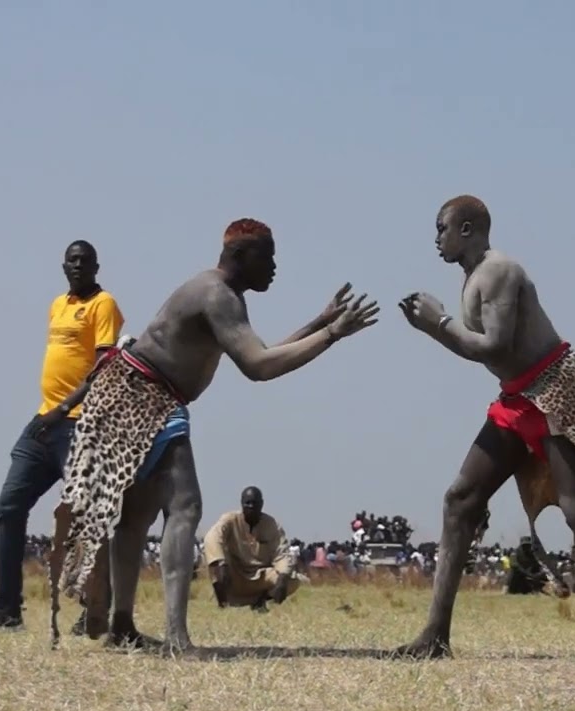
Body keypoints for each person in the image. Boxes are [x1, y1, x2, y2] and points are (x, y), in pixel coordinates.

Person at [49, 218, 379, 653]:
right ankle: (175, 637)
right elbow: (259, 367)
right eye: (269, 256)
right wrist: (333, 335)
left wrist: (321, 322)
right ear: (242, 256)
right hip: (148, 396)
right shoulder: (218, 296)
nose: (275, 267)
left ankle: (122, 625)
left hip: (135, 394)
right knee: (184, 505)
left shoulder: (219, 294)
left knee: (136, 518)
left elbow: (260, 350)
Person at [396, 195, 575, 670]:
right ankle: (434, 634)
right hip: (518, 397)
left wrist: (437, 324)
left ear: (467, 229)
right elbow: (497, 356)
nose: (436, 238)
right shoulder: (474, 276)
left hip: (554, 390)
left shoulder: (499, 271)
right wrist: (436, 325)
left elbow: (494, 345)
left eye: (441, 228)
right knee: (460, 499)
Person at [0, 240, 124, 629]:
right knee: (10, 507)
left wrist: (65, 409)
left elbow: (103, 371)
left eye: (85, 261)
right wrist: (51, 414)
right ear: (63, 266)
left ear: (97, 266)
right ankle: (6, 608)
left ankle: (95, 610)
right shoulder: (57, 305)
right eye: (72, 260)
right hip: (44, 422)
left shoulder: (104, 305)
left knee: (85, 519)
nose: (79, 266)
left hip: (80, 424)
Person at [203, 486, 304, 612]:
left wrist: (282, 578)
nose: (251, 506)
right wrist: (221, 562)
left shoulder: (271, 525)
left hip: (259, 577)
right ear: (241, 504)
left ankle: (259, 601)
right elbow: (211, 537)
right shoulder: (229, 520)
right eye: (247, 503)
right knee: (216, 567)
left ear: (262, 504)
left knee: (293, 580)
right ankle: (223, 604)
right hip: (234, 575)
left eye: (254, 503)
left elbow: (281, 554)